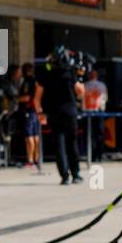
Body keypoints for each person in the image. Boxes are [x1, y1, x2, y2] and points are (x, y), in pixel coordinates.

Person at [35, 46, 84, 184]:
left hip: (53, 113)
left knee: (59, 144)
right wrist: (80, 76)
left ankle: (64, 176)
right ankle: (76, 174)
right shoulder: (70, 73)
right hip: (69, 112)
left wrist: (40, 112)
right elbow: (80, 91)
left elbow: (37, 97)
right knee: (72, 143)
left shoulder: (45, 74)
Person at [17, 61, 42, 170]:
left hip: (28, 110)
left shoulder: (27, 82)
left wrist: (16, 99)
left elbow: (27, 97)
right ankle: (36, 159)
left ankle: (30, 160)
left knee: (29, 137)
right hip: (35, 111)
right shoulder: (37, 81)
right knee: (36, 136)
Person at [82, 65, 108, 160]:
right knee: (98, 134)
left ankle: (93, 154)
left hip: (89, 112)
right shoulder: (101, 85)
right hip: (96, 112)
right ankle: (98, 154)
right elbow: (104, 99)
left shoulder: (85, 85)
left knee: (91, 134)